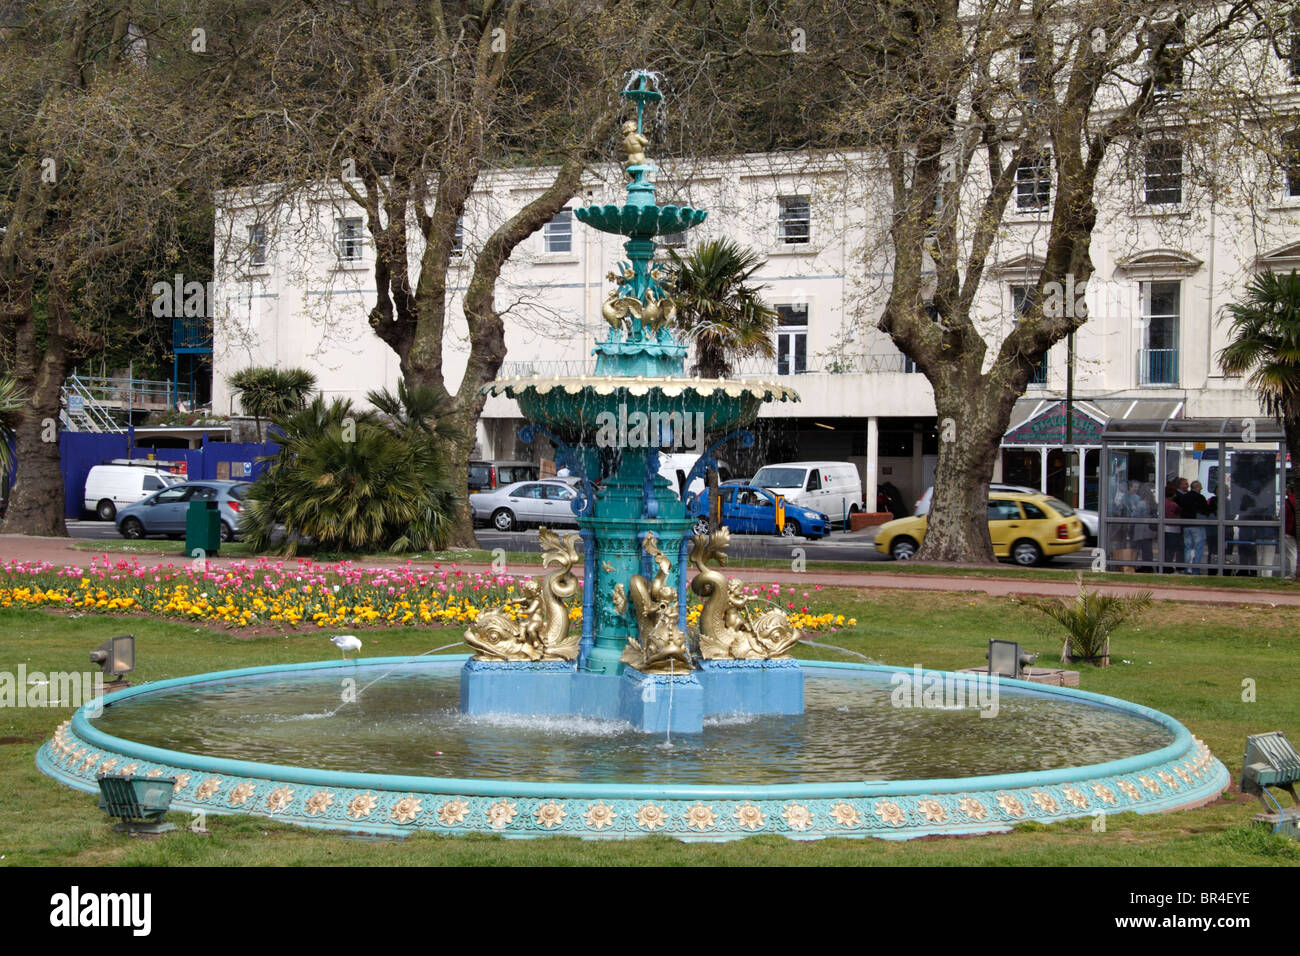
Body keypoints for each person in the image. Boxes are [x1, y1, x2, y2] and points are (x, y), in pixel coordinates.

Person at [1179, 480, 1211, 573]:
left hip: (1186, 525)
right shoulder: (1200, 497)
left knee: (1188, 547)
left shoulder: (1184, 497)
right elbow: (1205, 510)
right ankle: (1195, 569)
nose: (1201, 488)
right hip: (1197, 525)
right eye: (1200, 487)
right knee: (1198, 547)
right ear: (1197, 487)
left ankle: (1187, 568)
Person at [1163, 484, 1182, 572]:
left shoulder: (1162, 502)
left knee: (1165, 548)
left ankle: (1164, 565)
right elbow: (1179, 514)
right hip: (1173, 529)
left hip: (1164, 528)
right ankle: (1168, 566)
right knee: (1171, 549)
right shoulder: (1173, 504)